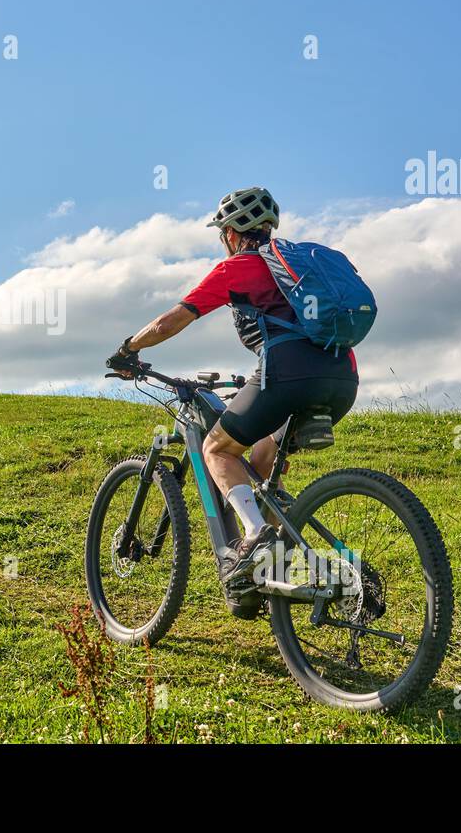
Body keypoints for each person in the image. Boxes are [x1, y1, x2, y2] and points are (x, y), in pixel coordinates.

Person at [105, 186, 359, 570]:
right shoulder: (300, 269)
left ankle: (255, 535)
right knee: (263, 464)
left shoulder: (237, 268)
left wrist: (128, 349)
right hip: (343, 379)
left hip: (287, 375)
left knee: (217, 449)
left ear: (230, 233)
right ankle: (275, 568)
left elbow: (166, 323)